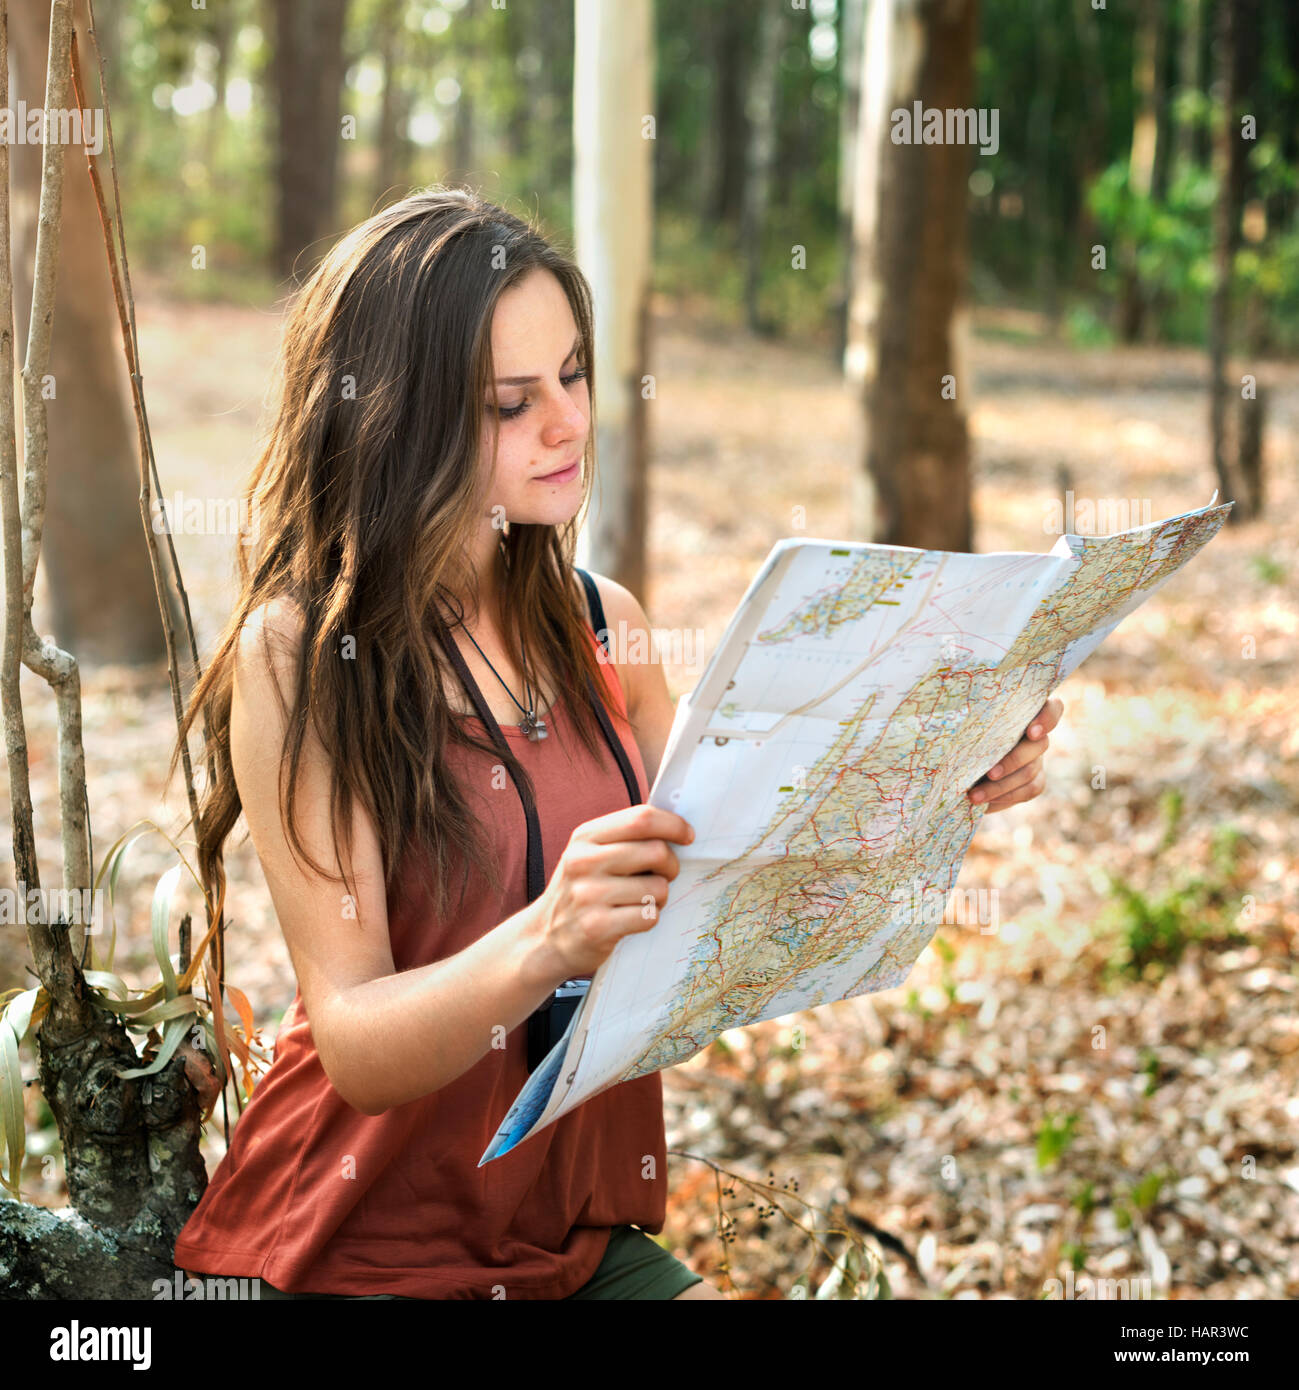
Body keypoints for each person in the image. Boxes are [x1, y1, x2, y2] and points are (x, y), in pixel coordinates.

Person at [168, 185, 1062, 1301]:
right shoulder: (302, 658)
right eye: (509, 401)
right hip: (356, 1244)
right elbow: (353, 1038)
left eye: (574, 375)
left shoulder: (608, 628)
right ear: (394, 417)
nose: (569, 422)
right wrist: (548, 938)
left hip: (564, 1235)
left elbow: (733, 880)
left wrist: (942, 769)